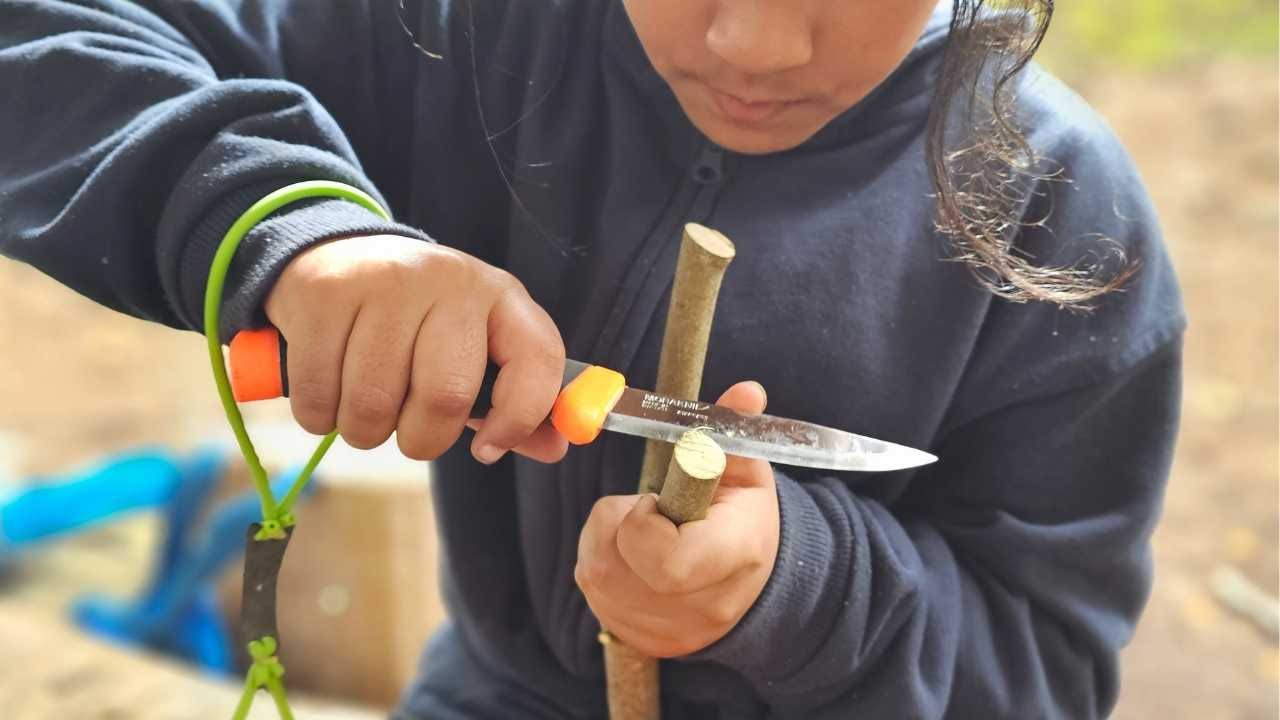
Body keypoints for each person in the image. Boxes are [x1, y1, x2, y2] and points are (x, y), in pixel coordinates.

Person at [0, 1, 1184, 718]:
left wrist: (799, 593)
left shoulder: (1061, 218)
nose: (751, 42)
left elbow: (1041, 681)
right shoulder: (462, 33)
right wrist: (297, 226)